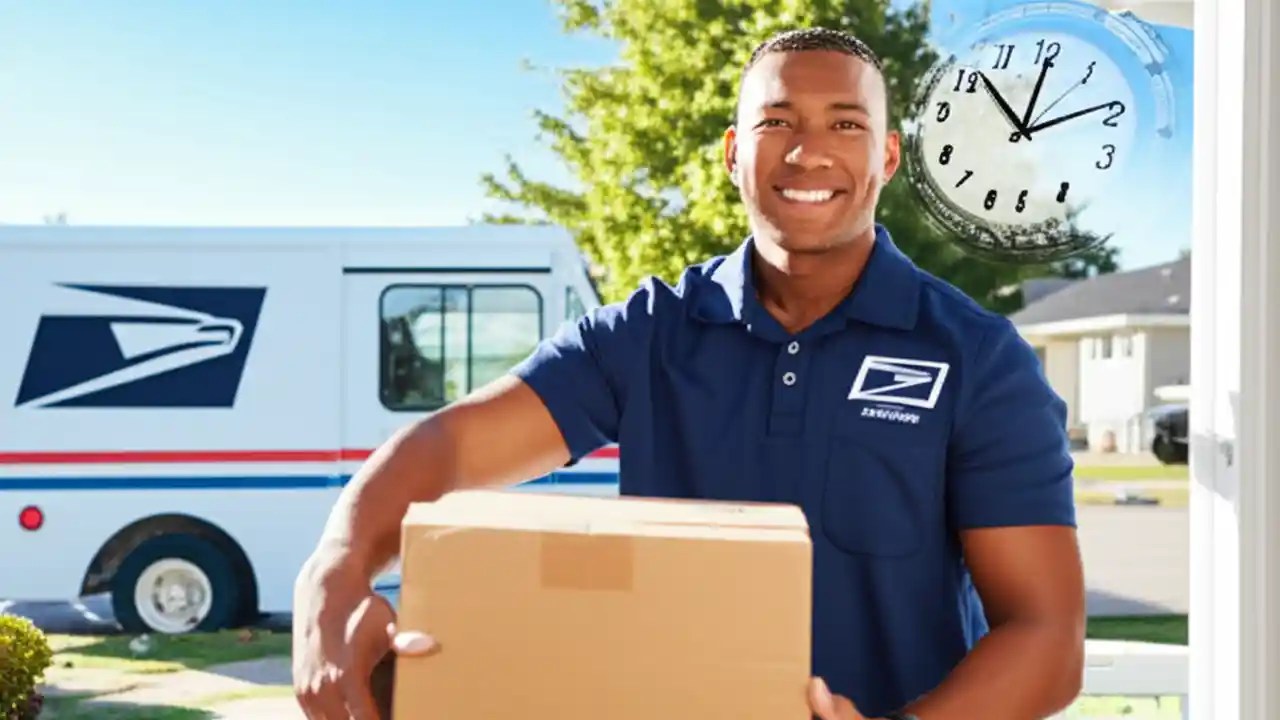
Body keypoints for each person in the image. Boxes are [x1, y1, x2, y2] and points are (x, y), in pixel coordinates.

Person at [292, 27, 1086, 720]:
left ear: (885, 155)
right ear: (734, 152)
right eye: (777, 122)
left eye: (844, 124)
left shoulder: (976, 359)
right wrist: (333, 569)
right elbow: (449, 449)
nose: (808, 150)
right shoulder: (652, 332)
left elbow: (1045, 636)